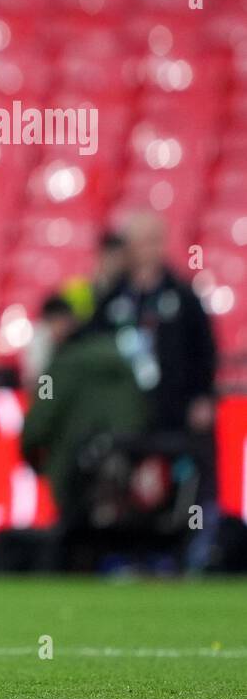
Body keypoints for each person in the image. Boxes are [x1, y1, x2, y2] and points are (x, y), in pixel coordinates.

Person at [88, 210, 218, 569]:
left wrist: (203, 398)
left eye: (152, 241)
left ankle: (187, 556)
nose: (147, 249)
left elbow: (204, 353)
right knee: (127, 489)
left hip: (174, 412)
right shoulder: (112, 301)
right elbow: (92, 354)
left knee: (184, 484)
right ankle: (126, 557)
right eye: (139, 242)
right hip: (127, 417)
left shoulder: (184, 298)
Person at [21, 294, 146, 571]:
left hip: (74, 465)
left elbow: (39, 422)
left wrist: (30, 456)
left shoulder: (62, 365)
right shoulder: (119, 357)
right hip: (126, 456)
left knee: (75, 534)